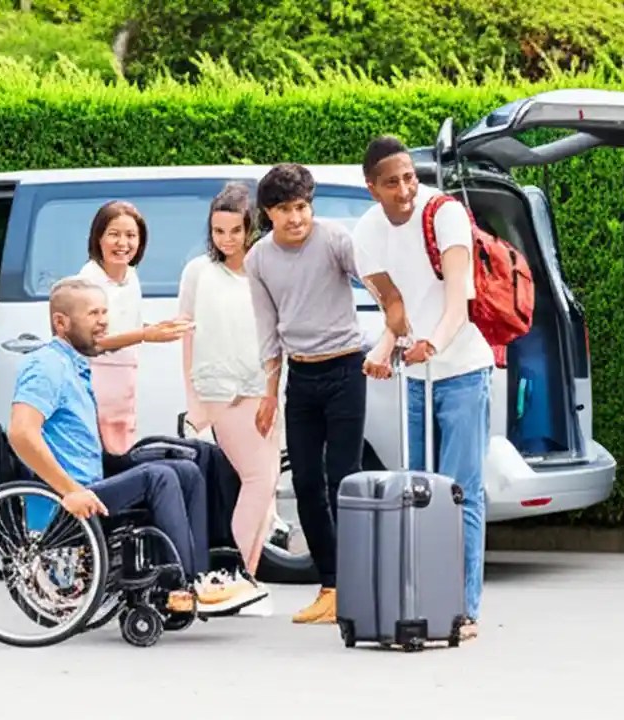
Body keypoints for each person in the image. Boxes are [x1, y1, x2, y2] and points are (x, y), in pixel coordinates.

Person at [7, 276, 261, 615]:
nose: (103, 322)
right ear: (61, 323)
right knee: (159, 477)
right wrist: (69, 491)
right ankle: (179, 588)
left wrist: (148, 333)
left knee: (187, 468)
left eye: (104, 312)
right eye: (94, 314)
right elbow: (21, 433)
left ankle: (201, 578)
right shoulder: (46, 366)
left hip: (93, 484)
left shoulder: (73, 362)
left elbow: (104, 345)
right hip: (68, 499)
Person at [351, 135, 493, 640]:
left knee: (460, 491)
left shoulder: (444, 213)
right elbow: (395, 309)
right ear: (373, 188)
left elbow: (458, 301)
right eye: (392, 182)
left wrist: (431, 342)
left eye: (410, 176)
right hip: (414, 374)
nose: (406, 189)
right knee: (419, 492)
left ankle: (463, 609)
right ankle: (422, 600)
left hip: (461, 368)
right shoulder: (365, 233)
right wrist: (384, 347)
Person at [244, 163, 367, 625]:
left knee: (344, 479)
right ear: (267, 213)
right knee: (305, 483)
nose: (296, 218)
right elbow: (268, 329)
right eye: (284, 210)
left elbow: (373, 279)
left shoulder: (334, 238)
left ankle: (358, 582)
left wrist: (399, 328)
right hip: (302, 377)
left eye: (302, 207)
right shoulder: (258, 259)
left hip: (346, 369)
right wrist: (270, 393)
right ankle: (331, 586)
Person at [177, 182, 276, 611]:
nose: (227, 239)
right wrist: (195, 403)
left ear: (251, 228)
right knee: (257, 481)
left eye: (235, 230)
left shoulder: (264, 268)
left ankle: (245, 584)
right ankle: (230, 577)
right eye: (219, 231)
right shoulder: (199, 272)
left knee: (265, 487)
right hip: (224, 394)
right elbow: (187, 335)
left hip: (265, 390)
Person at [77, 200, 191, 456]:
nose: (123, 243)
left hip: (124, 380)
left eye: (131, 235)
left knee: (125, 448)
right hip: (97, 378)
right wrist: (146, 335)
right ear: (98, 238)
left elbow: (128, 326)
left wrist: (161, 328)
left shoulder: (130, 276)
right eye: (114, 235)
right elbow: (92, 341)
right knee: (101, 450)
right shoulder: (88, 280)